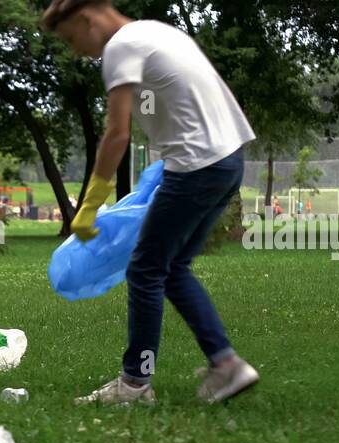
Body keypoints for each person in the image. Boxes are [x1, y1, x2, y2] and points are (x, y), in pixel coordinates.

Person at [43, 0, 260, 405]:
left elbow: (117, 134)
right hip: (227, 161)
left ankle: (134, 384)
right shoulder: (157, 31)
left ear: (87, 19)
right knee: (171, 267)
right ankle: (226, 365)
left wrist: (90, 204)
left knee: (144, 269)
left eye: (72, 38)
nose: (76, 51)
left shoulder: (120, 47)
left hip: (195, 167)